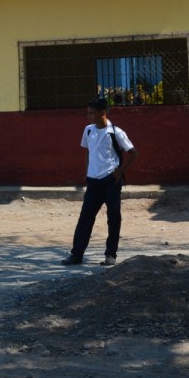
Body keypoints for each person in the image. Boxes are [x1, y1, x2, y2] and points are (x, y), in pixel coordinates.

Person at [62, 97, 138, 267]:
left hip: (111, 180)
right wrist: (88, 171)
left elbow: (133, 153)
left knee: (113, 217)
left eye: (92, 113)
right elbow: (88, 151)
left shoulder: (116, 132)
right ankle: (76, 254)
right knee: (85, 218)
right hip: (93, 181)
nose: (88, 116)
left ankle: (110, 254)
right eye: (87, 113)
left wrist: (119, 172)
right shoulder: (88, 130)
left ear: (102, 113)